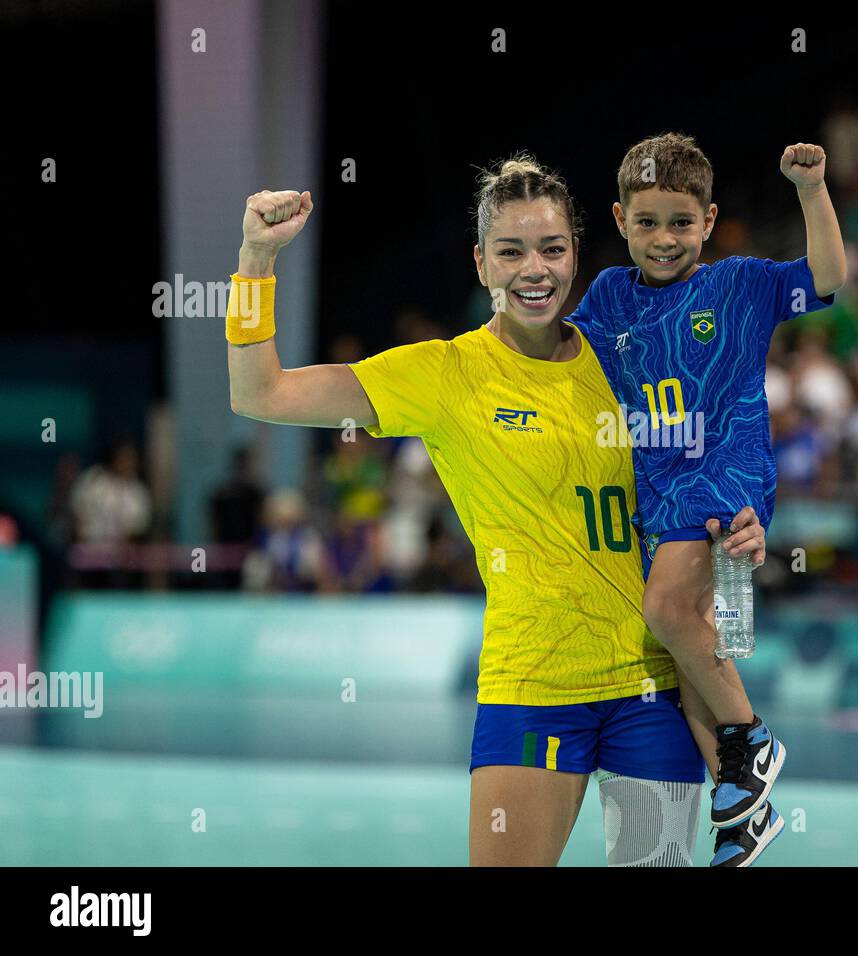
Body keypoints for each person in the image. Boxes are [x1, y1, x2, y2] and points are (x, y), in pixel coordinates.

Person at [224, 158, 767, 866]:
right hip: (531, 686)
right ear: (481, 263)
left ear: (575, 254)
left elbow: (696, 469)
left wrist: (739, 522)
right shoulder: (444, 374)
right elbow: (260, 394)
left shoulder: (626, 357)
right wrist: (257, 259)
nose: (533, 270)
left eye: (551, 249)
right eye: (510, 252)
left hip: (654, 690)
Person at [568, 133, 846, 863]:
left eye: (681, 222)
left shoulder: (740, 285)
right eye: (648, 222)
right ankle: (745, 815)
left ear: (709, 220)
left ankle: (752, 739)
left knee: (664, 610)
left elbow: (827, 278)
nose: (665, 238)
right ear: (621, 219)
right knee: (689, 656)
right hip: (655, 494)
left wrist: (811, 191)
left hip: (724, 476)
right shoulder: (609, 296)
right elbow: (564, 363)